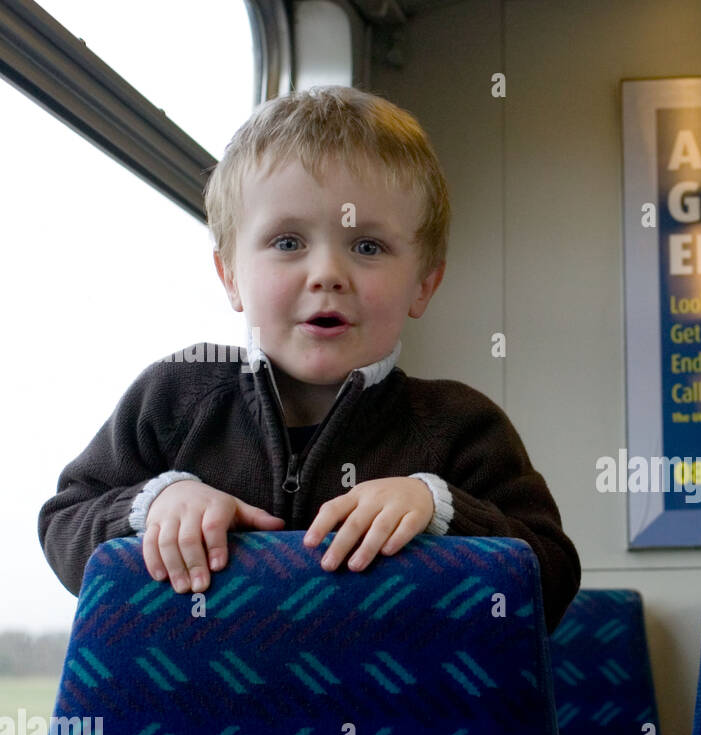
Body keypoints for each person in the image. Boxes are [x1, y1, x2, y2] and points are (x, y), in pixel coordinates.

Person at [38, 86, 580, 631]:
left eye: (368, 246)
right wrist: (153, 503)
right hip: (198, 709)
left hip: (391, 711)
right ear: (230, 277)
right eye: (288, 242)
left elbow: (553, 578)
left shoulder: (462, 427)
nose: (327, 273)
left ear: (423, 284)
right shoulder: (173, 399)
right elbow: (63, 523)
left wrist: (440, 508)